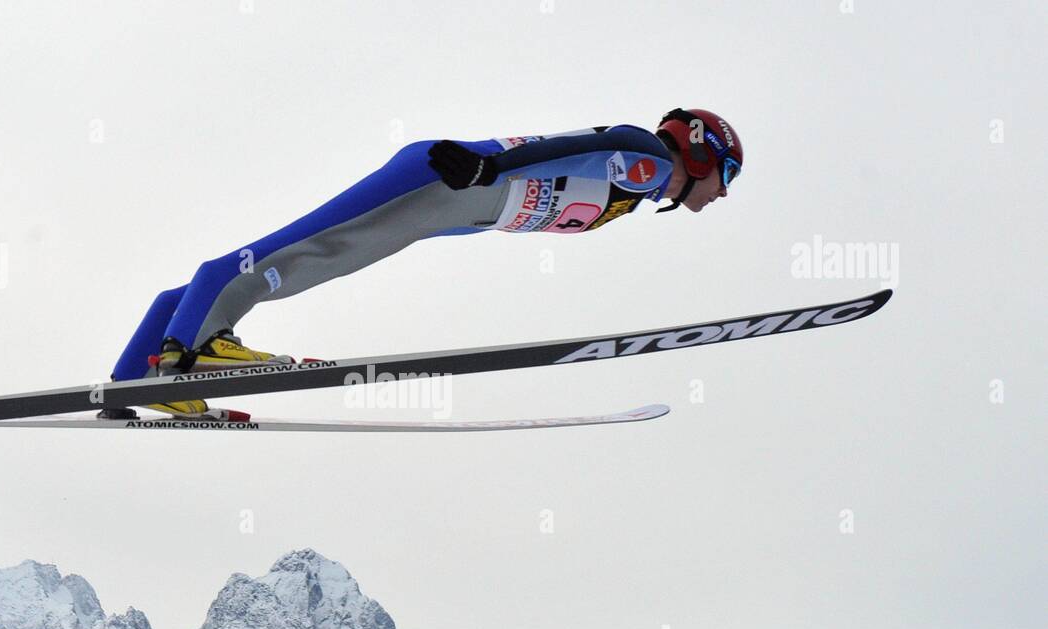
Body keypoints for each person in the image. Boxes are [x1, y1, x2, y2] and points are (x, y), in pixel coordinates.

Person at [103, 108, 743, 420]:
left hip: (446, 208)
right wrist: (487, 167)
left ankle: (131, 379)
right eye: (727, 176)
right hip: (448, 180)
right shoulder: (649, 162)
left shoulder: (640, 188)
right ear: (701, 153)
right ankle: (186, 357)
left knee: (310, 257)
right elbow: (573, 148)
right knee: (297, 252)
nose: (722, 194)